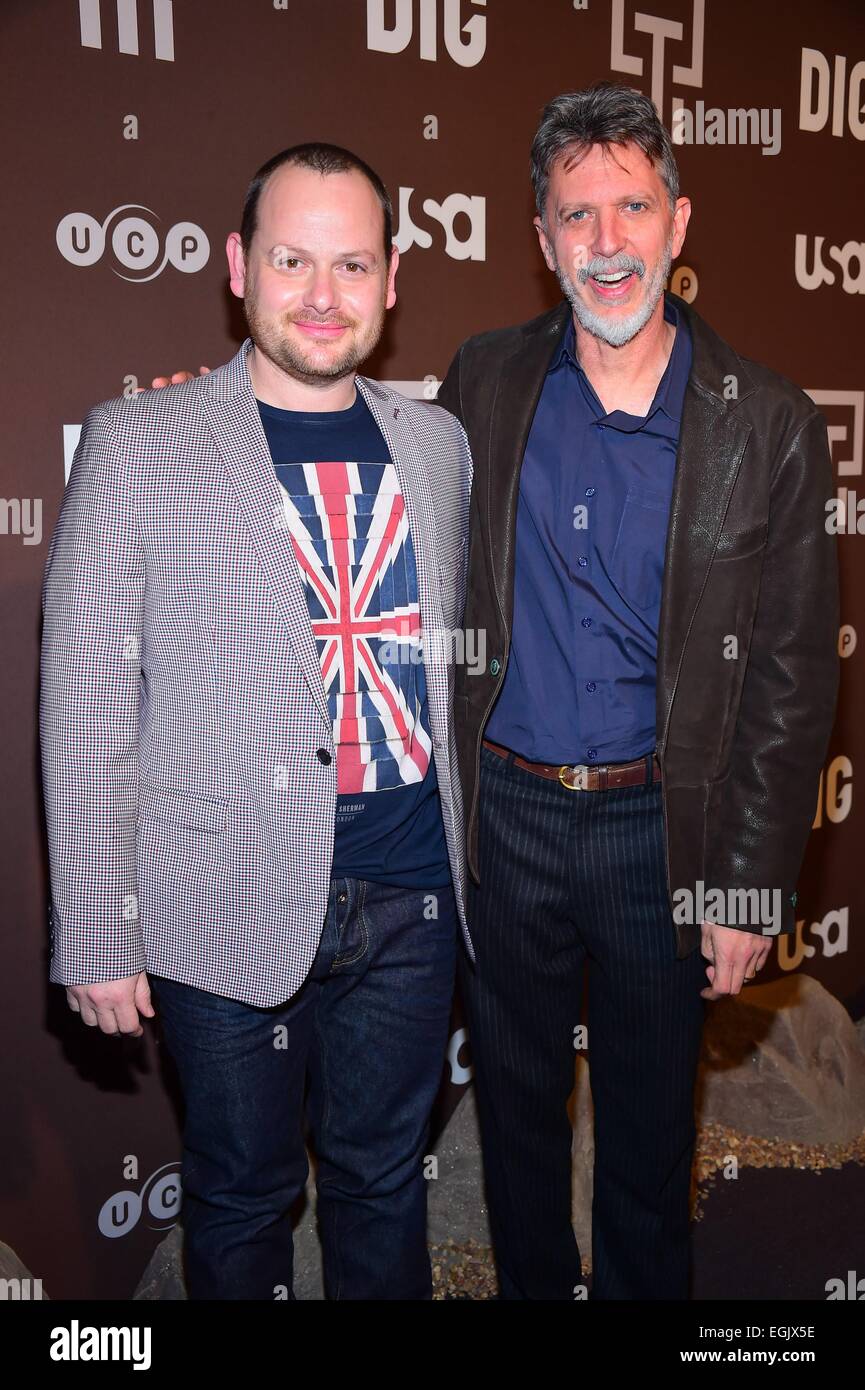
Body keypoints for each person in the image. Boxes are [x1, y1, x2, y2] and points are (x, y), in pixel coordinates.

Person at [39, 143, 473, 1301]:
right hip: (220, 896)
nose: (322, 294)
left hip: (414, 898)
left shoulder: (438, 444)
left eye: (351, 264)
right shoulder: (140, 443)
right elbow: (85, 693)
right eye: (292, 260)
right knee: (238, 1195)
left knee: (383, 1184)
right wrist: (96, 920)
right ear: (239, 267)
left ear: (391, 282)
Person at [435, 81, 840, 1300]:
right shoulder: (486, 382)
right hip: (505, 818)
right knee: (513, 1129)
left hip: (658, 834)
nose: (605, 243)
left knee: (651, 1150)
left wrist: (749, 886)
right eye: (575, 216)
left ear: (677, 220)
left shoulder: (763, 421)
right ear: (539, 238)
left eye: (631, 208)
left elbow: (787, 675)